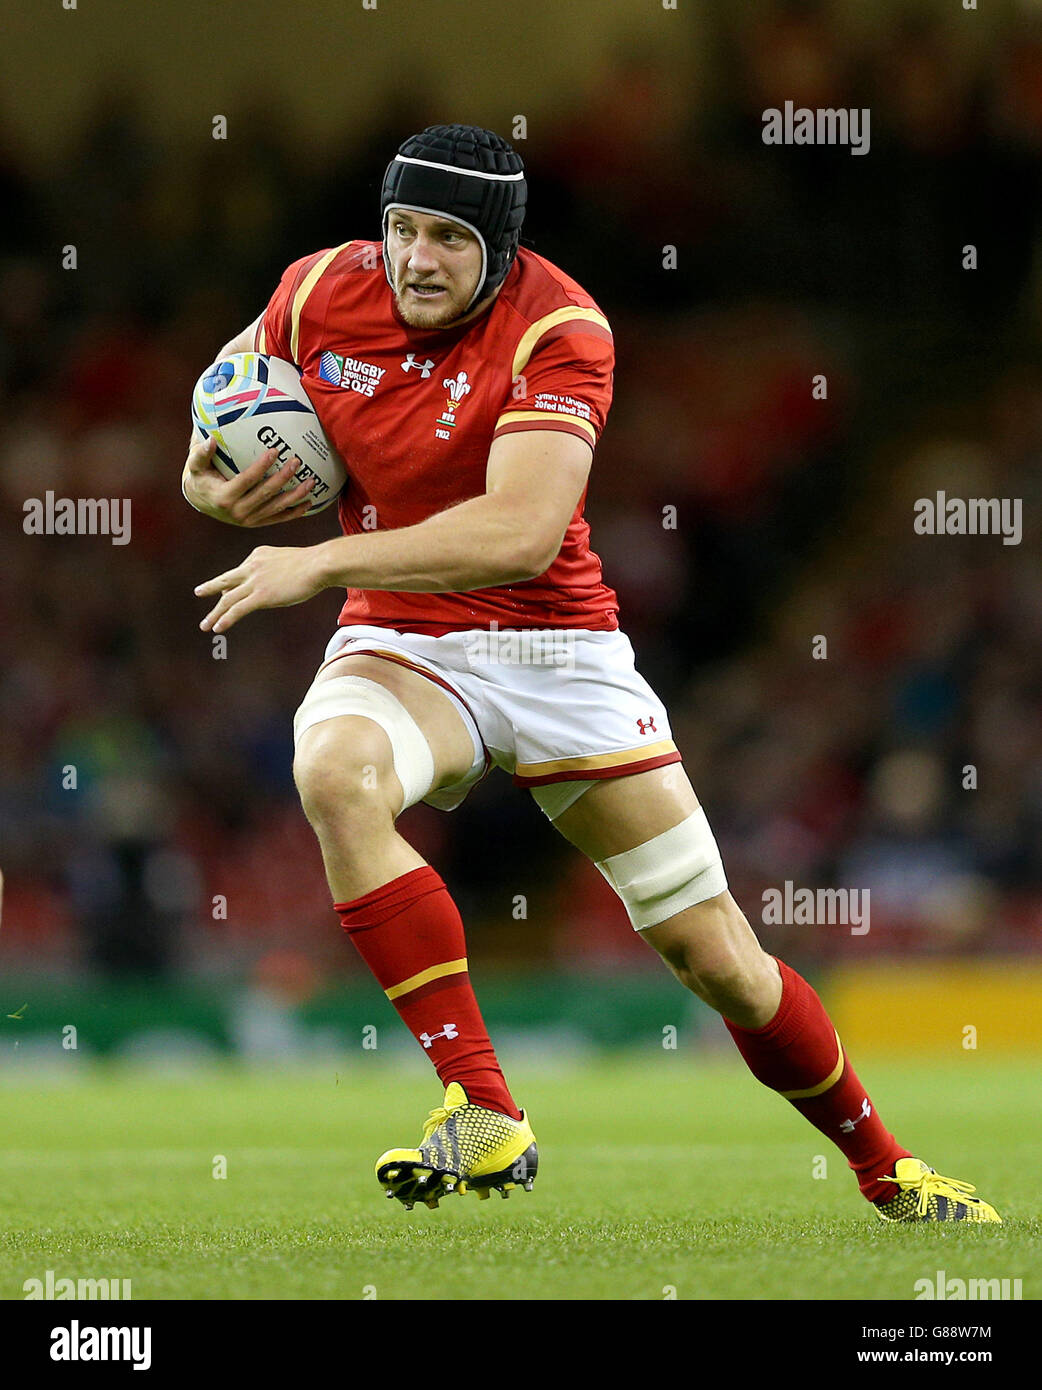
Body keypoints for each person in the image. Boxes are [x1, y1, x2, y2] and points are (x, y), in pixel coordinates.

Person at [184, 124, 998, 1222]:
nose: (416, 260)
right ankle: (482, 1106)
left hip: (552, 648)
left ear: (502, 249)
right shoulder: (317, 287)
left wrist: (319, 557)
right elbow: (219, 417)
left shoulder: (560, 328)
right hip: (403, 635)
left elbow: (519, 534)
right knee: (335, 772)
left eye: (448, 241)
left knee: (718, 961)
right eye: (402, 231)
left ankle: (886, 1168)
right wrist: (215, 479)